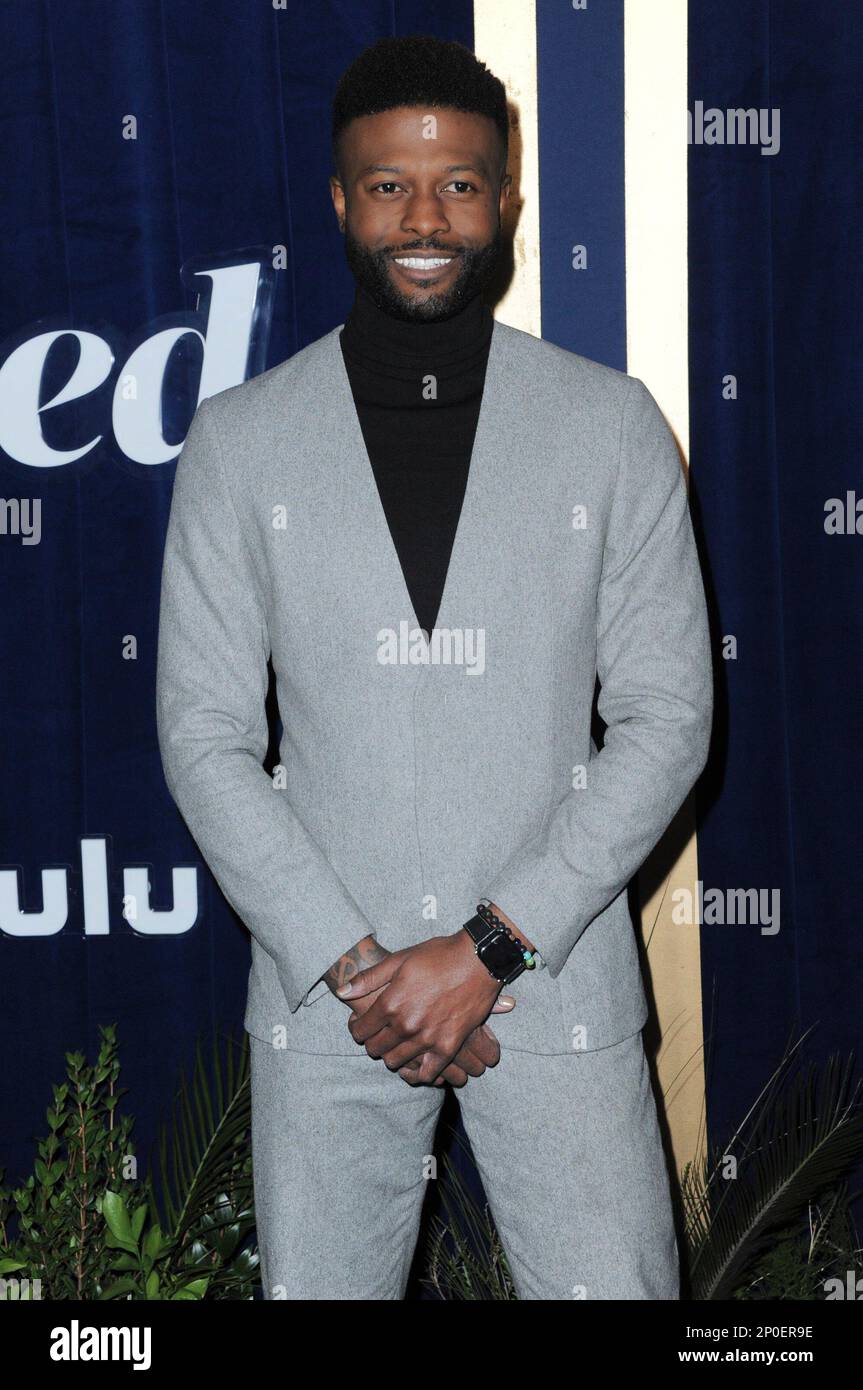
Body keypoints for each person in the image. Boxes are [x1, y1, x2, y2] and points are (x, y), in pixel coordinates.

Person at [156, 34, 713, 1300]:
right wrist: (364, 975)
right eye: (390, 185)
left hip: (555, 983)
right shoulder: (241, 445)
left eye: (458, 183)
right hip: (328, 1007)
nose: (425, 216)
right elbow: (201, 733)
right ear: (339, 199)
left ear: (505, 199)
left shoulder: (608, 425)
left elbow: (668, 716)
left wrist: (486, 952)